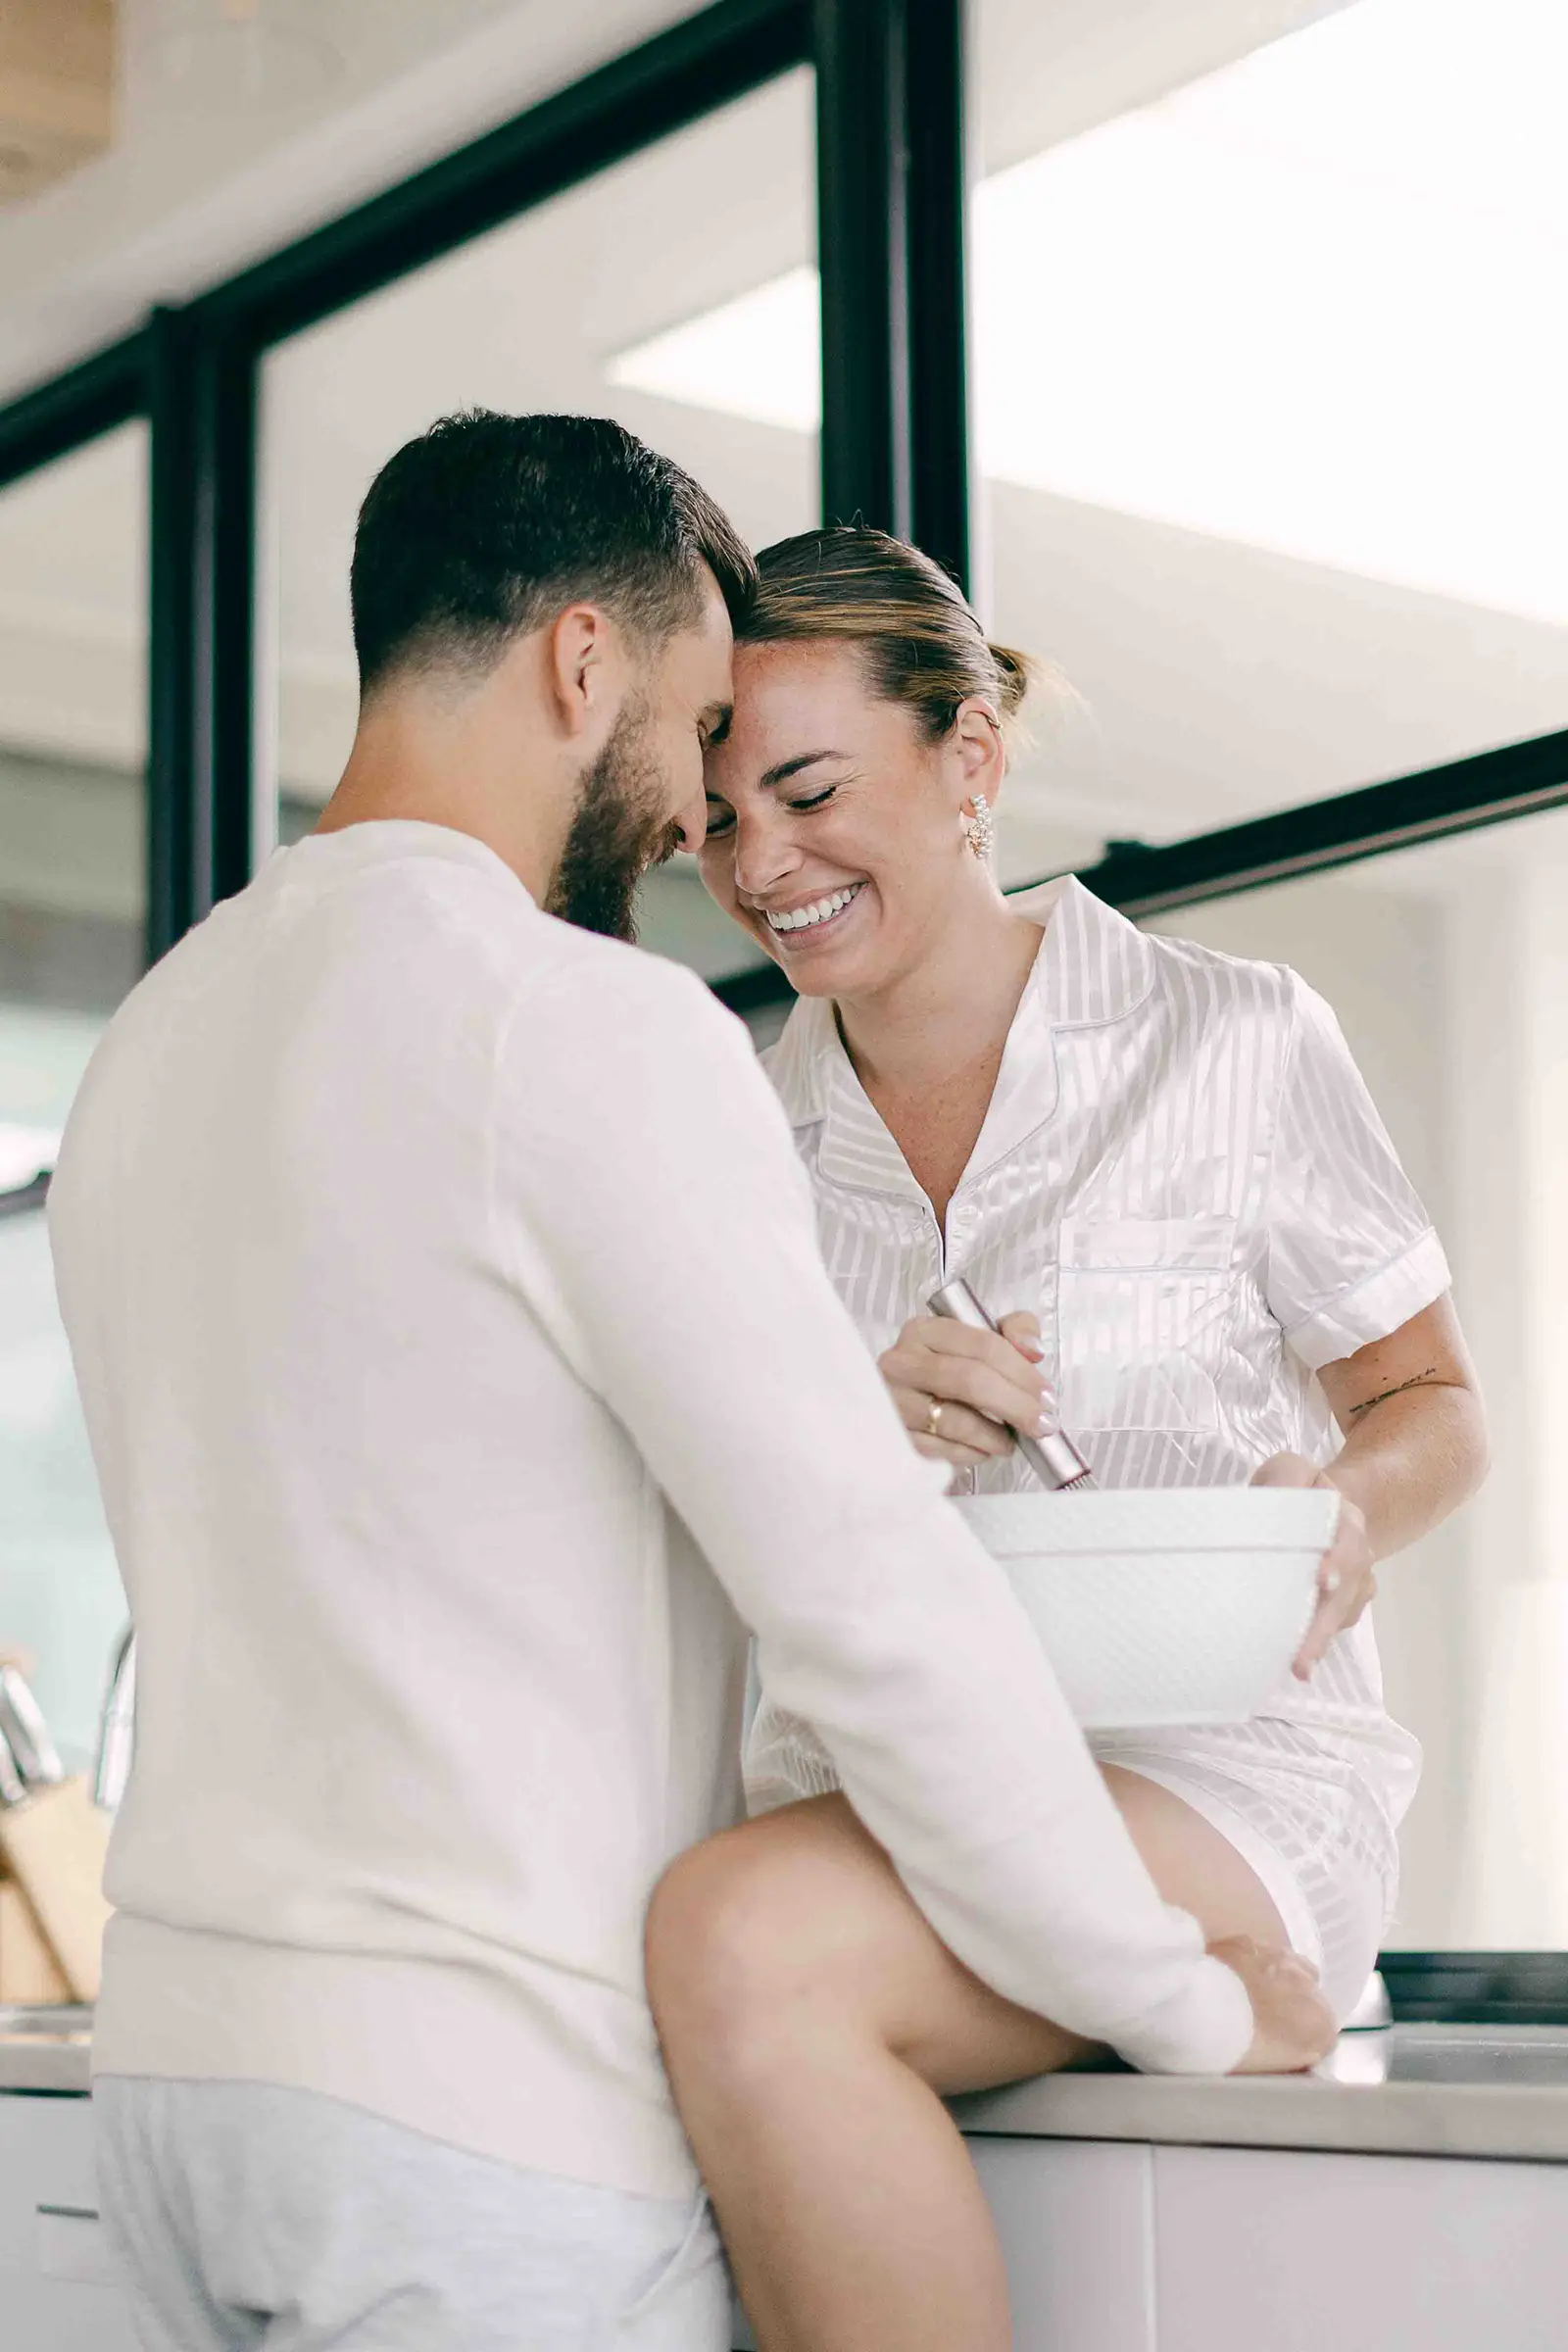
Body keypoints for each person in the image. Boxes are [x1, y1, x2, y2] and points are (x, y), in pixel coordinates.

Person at [47, 419, 1327, 2352]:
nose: (692, 815)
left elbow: (400, 1490)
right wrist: (1183, 1995)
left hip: (172, 2106)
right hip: (470, 2136)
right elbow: (870, 1615)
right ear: (581, 663)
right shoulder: (577, 1021)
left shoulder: (158, 1036)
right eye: (691, 717)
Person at [654, 523, 1491, 2347]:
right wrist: (840, 1422)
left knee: (738, 1942)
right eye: (716, 820)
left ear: (970, 760)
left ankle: (1208, 1982)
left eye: (807, 790)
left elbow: (1431, 1408)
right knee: (723, 1940)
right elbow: (690, 1527)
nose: (762, 864)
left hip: (1214, 1790)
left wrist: (1340, 1512)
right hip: (877, 1803)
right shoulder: (725, 1133)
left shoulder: (1234, 1037)